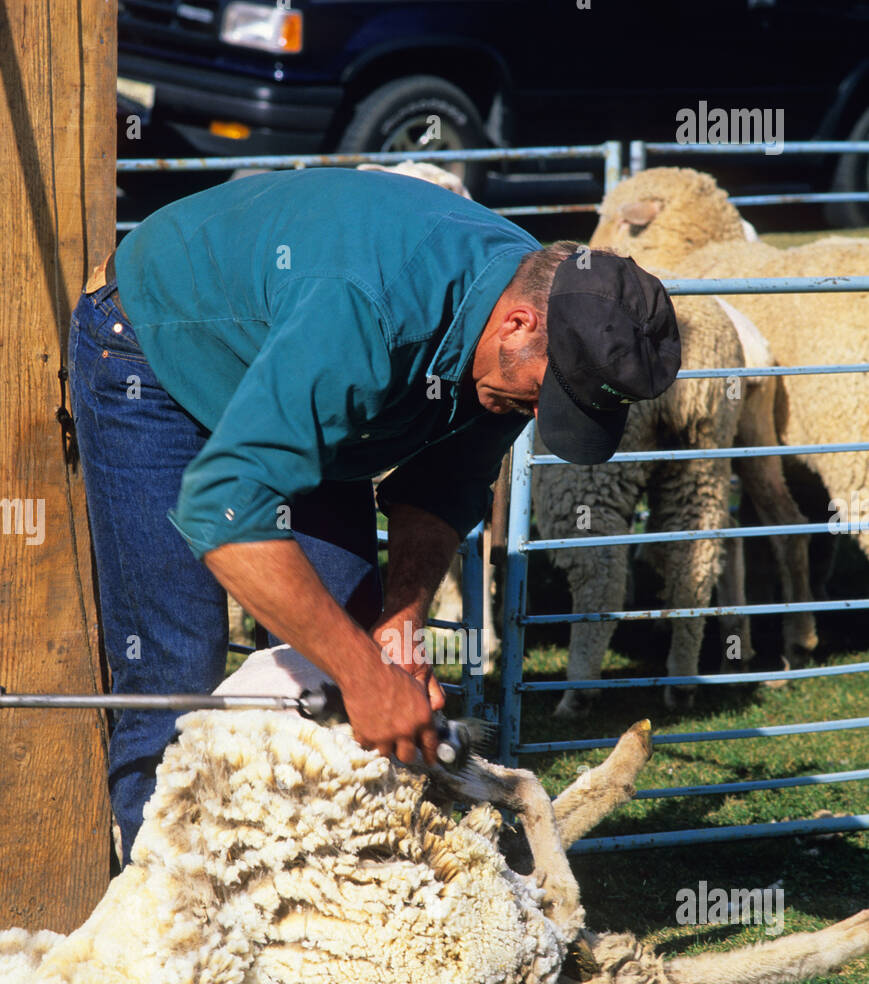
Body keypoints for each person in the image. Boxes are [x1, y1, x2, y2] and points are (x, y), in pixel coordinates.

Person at [68, 168, 680, 862]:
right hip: (159, 345)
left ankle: (304, 898)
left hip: (311, 381)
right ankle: (157, 916)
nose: (541, 416)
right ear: (518, 324)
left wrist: (397, 629)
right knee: (178, 661)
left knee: (340, 654)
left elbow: (444, 485)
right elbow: (224, 510)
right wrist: (364, 676)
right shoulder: (370, 310)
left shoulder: (521, 344)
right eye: (549, 396)